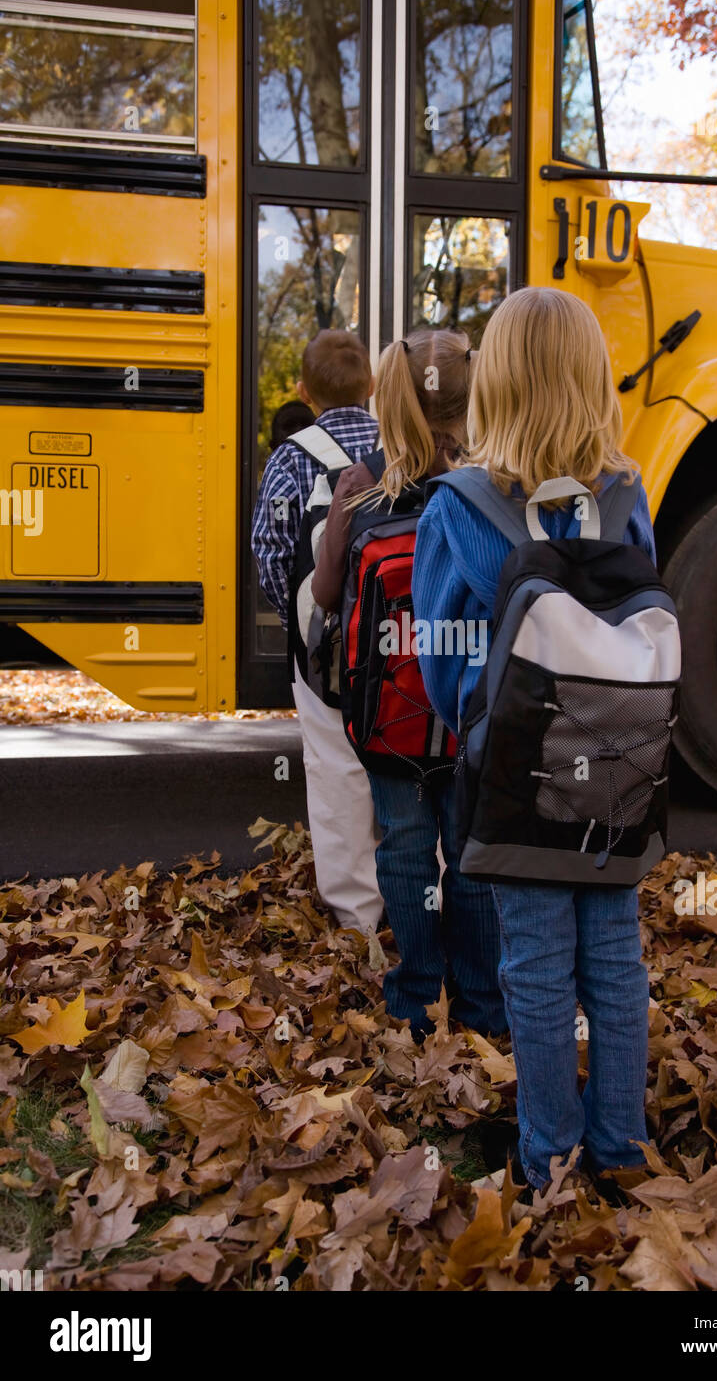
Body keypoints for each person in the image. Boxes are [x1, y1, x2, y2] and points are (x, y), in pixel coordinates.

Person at [412, 288, 655, 1189]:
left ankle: (549, 1155)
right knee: (616, 966)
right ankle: (623, 1149)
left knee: (537, 968)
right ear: (594, 378)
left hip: (516, 782)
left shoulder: (460, 508)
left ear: (494, 384)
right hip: (620, 775)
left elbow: (442, 667)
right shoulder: (629, 495)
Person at [311, 329, 505, 1038]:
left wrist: (342, 513)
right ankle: (483, 1007)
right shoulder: (494, 489)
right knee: (472, 855)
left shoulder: (363, 488)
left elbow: (328, 596)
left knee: (402, 848)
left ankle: (416, 998)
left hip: (387, 716)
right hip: (471, 716)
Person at [251, 330, 382, 937]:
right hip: (402, 645)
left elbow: (270, 550)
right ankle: (419, 889)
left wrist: (303, 626)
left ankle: (357, 917)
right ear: (374, 387)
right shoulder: (400, 445)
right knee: (408, 765)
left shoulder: (290, 457)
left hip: (324, 649)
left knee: (335, 771)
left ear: (303, 392)